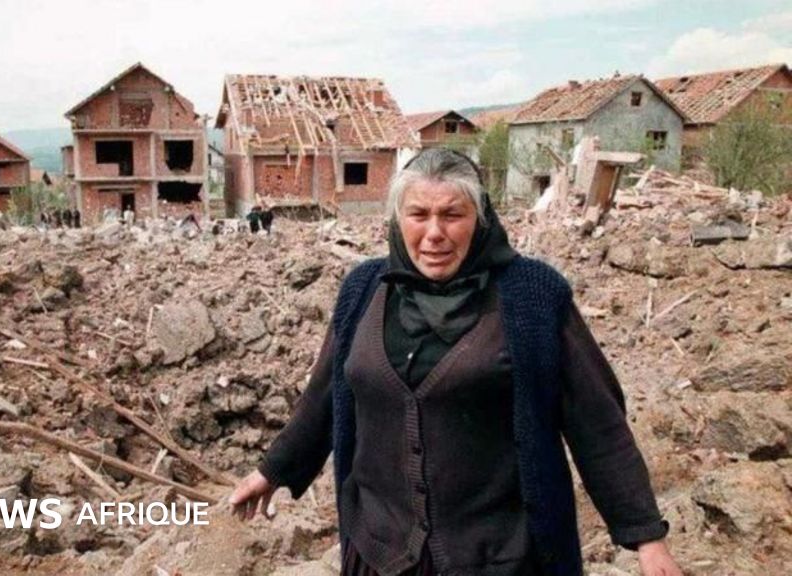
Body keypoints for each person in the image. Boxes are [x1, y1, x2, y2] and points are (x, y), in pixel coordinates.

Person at [229, 148, 681, 576]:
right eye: (419, 214)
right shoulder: (364, 289)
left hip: (499, 557)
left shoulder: (533, 296)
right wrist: (273, 470)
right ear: (397, 219)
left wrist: (646, 537)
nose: (434, 233)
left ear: (479, 219)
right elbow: (326, 396)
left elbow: (597, 422)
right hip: (381, 550)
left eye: (452, 215)